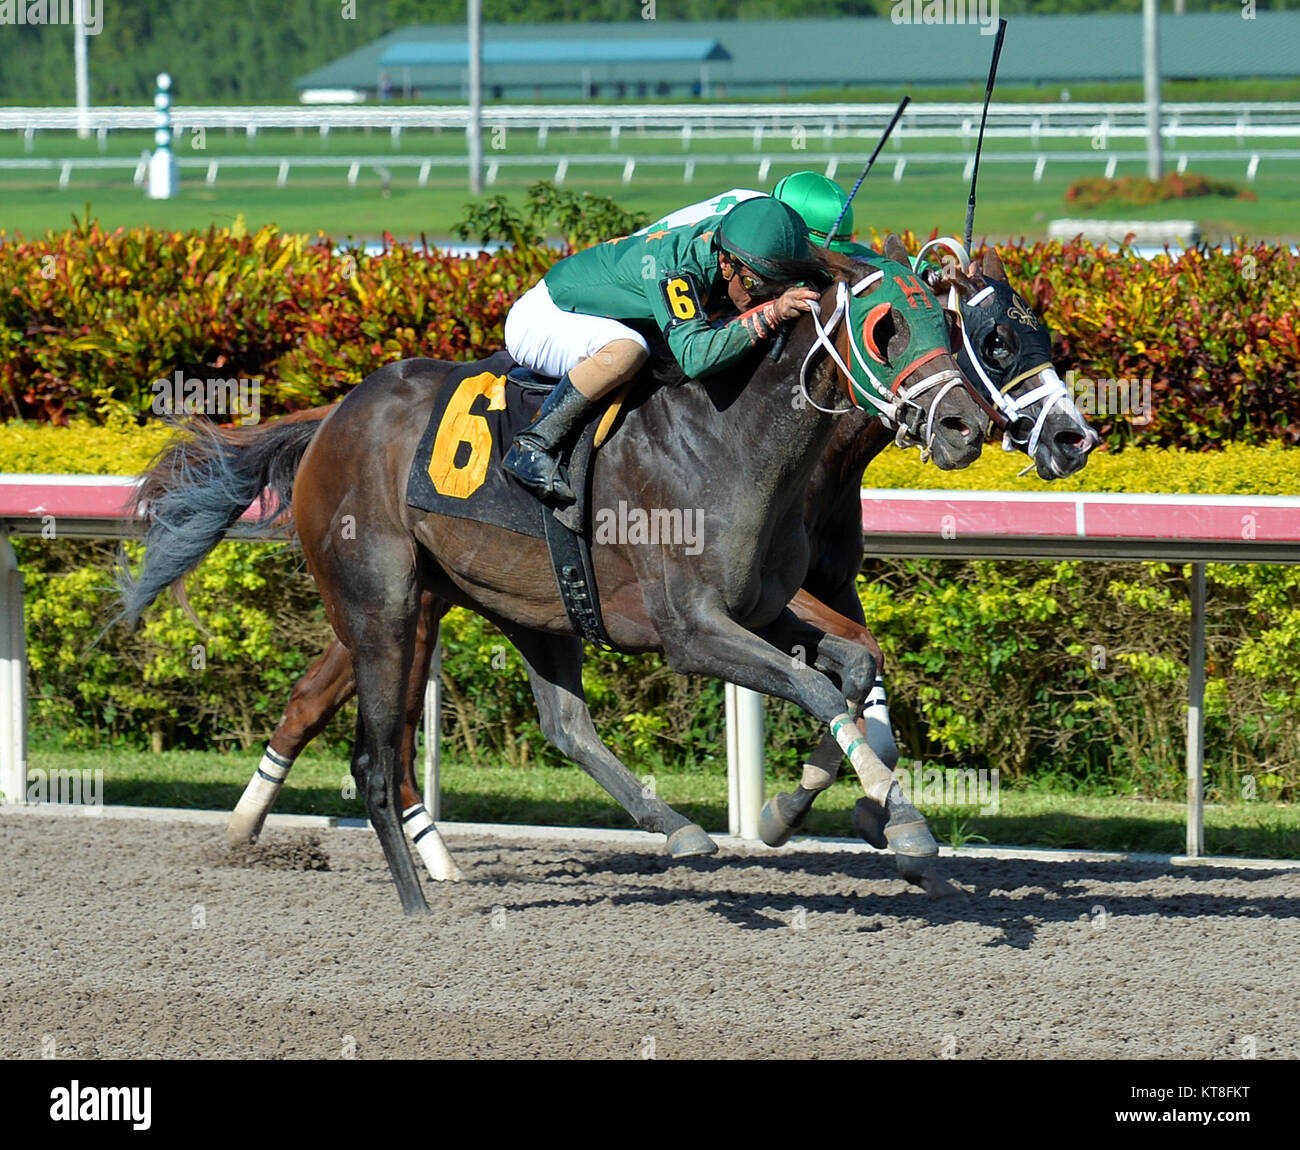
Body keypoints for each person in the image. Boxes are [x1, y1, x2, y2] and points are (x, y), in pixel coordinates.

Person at [502, 196, 822, 503]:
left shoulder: (740, 243)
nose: (762, 296)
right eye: (754, 286)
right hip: (546, 318)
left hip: (609, 313)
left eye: (775, 286)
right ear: (725, 262)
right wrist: (772, 312)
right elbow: (696, 357)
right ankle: (533, 443)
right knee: (629, 352)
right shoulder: (677, 269)